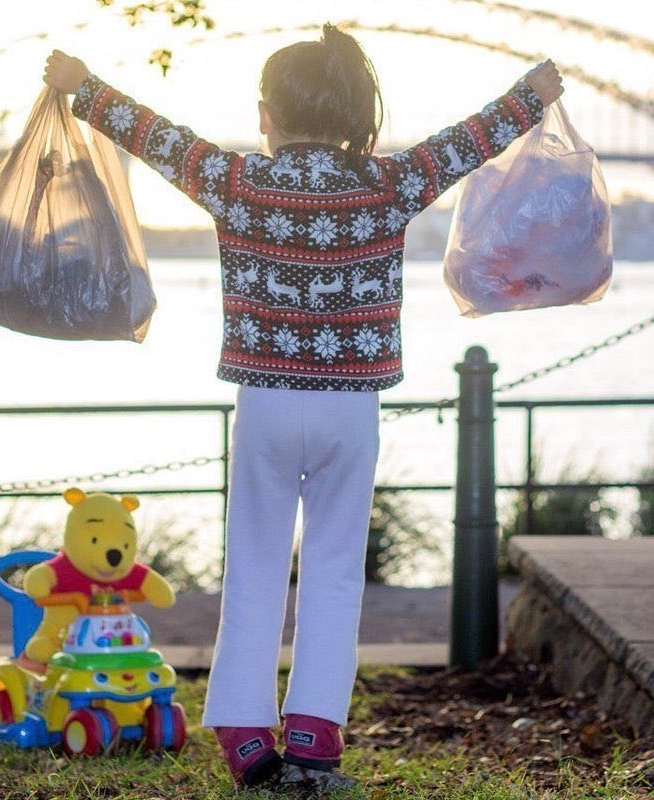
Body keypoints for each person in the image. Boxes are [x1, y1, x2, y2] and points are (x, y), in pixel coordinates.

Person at [43, 25, 562, 789]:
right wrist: (531, 96)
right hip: (350, 408)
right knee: (334, 570)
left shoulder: (235, 182)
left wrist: (82, 84)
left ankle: (248, 736)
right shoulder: (390, 183)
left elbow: (156, 137)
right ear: (356, 112)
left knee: (253, 566)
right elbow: (464, 144)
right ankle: (317, 732)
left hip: (265, 400)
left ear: (267, 116)